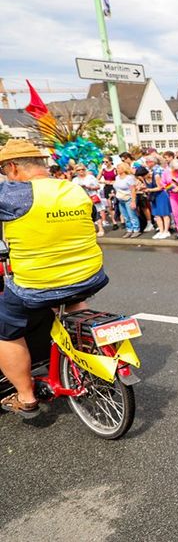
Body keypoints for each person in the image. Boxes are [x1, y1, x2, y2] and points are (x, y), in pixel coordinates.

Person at [0, 141, 109, 417]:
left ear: (12, 167)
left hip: (37, 285)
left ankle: (25, 396)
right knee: (73, 303)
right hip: (89, 276)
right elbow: (87, 218)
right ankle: (85, 354)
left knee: (5, 329)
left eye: (3, 170)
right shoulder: (75, 188)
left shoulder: (13, 194)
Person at [71, 165, 106, 237]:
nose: (81, 171)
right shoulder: (75, 180)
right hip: (81, 199)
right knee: (86, 215)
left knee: (96, 214)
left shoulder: (90, 177)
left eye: (82, 169)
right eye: (78, 170)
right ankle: (91, 230)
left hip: (92, 197)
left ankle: (101, 229)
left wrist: (89, 187)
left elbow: (98, 187)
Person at [143, 156, 172, 239]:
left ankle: (166, 231)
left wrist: (149, 190)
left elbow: (160, 187)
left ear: (152, 162)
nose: (146, 164)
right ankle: (161, 231)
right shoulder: (153, 170)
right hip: (156, 195)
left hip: (161, 194)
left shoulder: (157, 171)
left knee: (164, 213)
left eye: (147, 162)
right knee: (157, 214)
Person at [113, 163, 141, 237]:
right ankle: (129, 229)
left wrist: (133, 201)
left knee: (132, 215)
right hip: (120, 199)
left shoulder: (129, 178)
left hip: (128, 198)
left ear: (123, 169)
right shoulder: (117, 177)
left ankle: (136, 230)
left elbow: (133, 190)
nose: (117, 169)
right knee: (125, 216)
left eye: (118, 168)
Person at [98, 157, 117, 230]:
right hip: (107, 188)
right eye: (103, 162)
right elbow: (97, 179)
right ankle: (114, 222)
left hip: (115, 187)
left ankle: (122, 221)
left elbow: (119, 178)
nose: (105, 163)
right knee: (110, 206)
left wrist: (112, 182)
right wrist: (104, 182)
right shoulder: (103, 170)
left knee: (117, 204)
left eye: (106, 162)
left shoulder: (115, 169)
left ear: (110, 162)